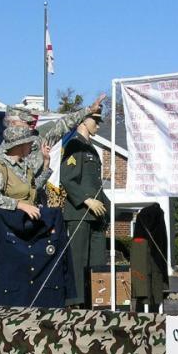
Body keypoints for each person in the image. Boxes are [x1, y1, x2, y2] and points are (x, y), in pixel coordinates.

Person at [60, 110, 111, 307]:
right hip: (80, 212)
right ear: (83, 120)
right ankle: (75, 304)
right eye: (95, 121)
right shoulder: (74, 144)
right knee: (77, 260)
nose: (98, 125)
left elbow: (94, 182)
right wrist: (87, 200)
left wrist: (107, 206)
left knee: (97, 262)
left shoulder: (92, 149)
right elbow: (67, 178)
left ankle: (96, 303)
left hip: (97, 215)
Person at [0, 124, 52, 216]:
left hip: (26, 220)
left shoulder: (24, 164)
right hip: (10, 222)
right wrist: (20, 205)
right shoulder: (0, 167)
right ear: (20, 145)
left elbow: (34, 188)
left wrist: (46, 163)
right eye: (29, 143)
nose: (32, 146)